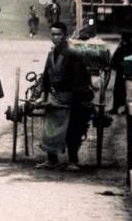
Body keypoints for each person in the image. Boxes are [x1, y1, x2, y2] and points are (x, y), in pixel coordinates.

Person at [32, 22, 94, 170]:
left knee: (72, 130)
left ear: (65, 35)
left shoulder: (73, 54)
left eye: (58, 34)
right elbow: (46, 75)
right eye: (53, 34)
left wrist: (77, 98)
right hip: (54, 97)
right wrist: (43, 95)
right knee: (50, 130)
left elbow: (80, 78)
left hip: (71, 97)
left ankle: (73, 161)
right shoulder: (51, 53)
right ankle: (51, 160)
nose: (55, 37)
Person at [107, 30, 132, 114]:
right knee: (125, 91)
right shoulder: (131, 47)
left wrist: (113, 65)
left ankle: (117, 108)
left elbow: (116, 58)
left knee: (120, 91)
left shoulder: (123, 47)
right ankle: (122, 108)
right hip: (126, 72)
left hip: (123, 72)